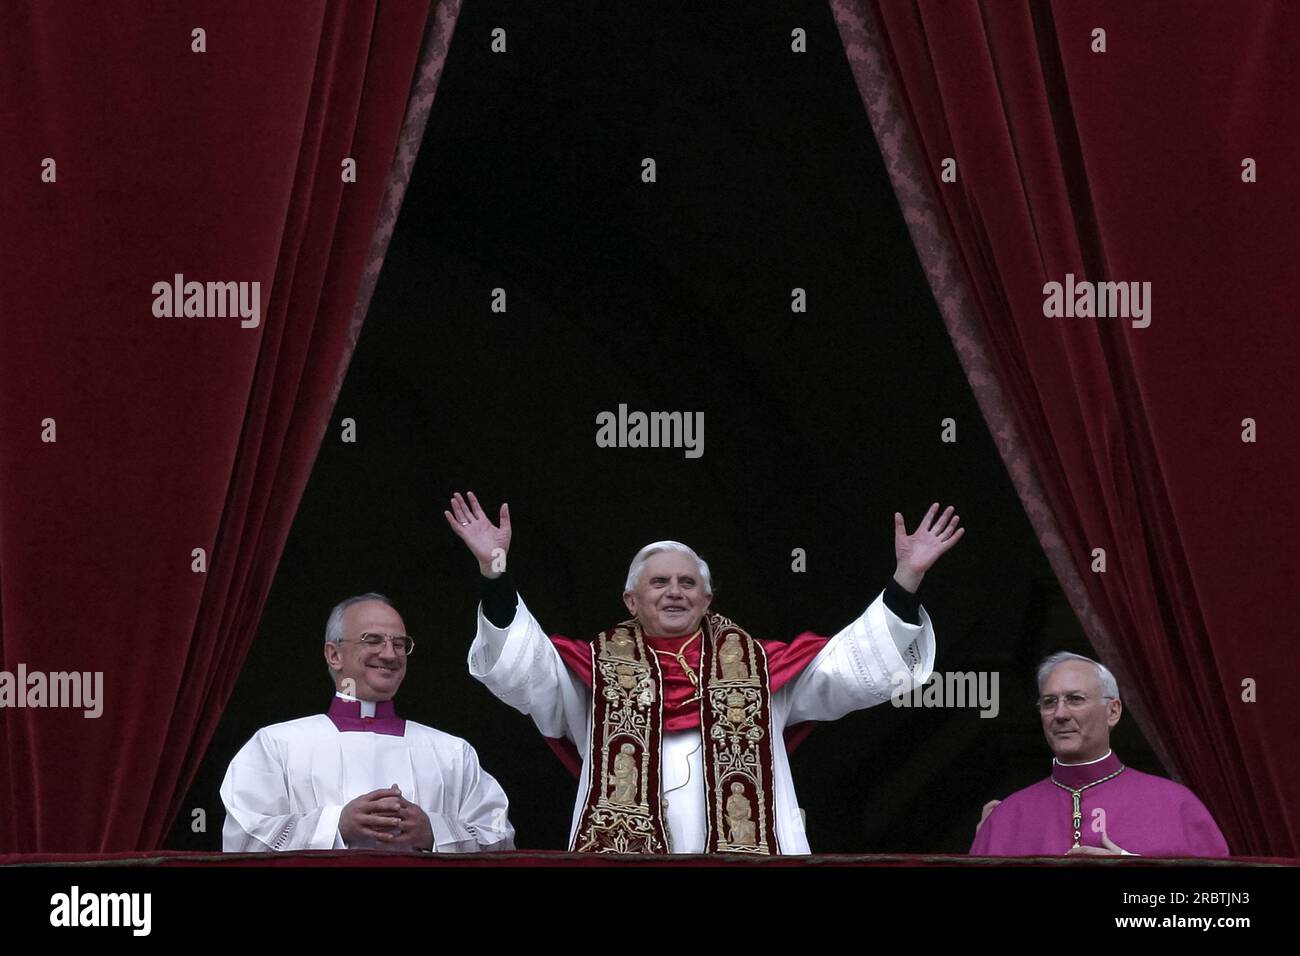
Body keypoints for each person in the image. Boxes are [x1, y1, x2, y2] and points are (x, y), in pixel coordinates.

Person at [447, 490, 963, 854]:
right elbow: (525, 665)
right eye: (660, 582)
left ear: (708, 597)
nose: (675, 591)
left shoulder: (763, 670)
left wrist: (905, 580)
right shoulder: (593, 673)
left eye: (688, 583)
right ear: (631, 599)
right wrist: (494, 575)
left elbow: (850, 667)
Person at [220, 593, 515, 853]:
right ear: (334, 655)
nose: (389, 654)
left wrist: (434, 832)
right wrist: (337, 825)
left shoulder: (452, 752)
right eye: (372, 640)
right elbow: (243, 841)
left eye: (399, 644)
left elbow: (501, 840)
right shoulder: (275, 745)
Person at [970, 651, 1229, 857]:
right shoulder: (1007, 817)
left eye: (1075, 699)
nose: (1060, 714)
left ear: (1113, 711)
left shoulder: (1177, 805)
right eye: (1049, 702)